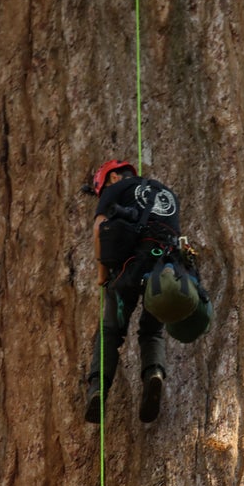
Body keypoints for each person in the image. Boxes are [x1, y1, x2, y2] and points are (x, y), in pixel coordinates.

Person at [85, 160, 203, 424]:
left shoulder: (116, 190)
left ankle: (97, 390)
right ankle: (154, 373)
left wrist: (102, 277)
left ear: (114, 177)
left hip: (131, 269)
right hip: (166, 272)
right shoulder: (167, 194)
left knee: (111, 331)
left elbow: (99, 229)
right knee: (152, 330)